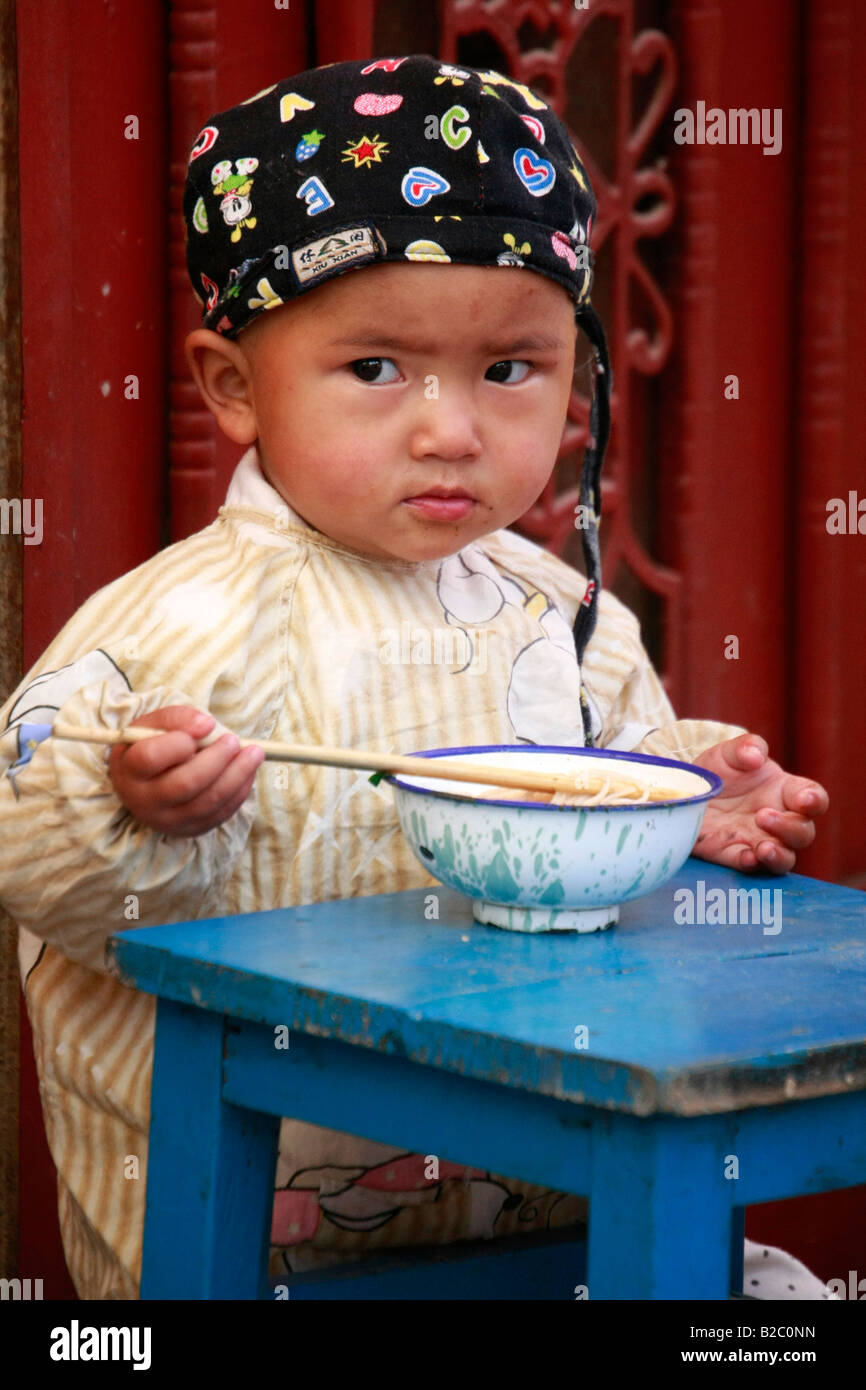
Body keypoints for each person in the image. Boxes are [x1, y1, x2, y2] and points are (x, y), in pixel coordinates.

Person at [0, 55, 836, 1300]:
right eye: (376, 369)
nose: (451, 427)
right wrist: (137, 809)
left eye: (509, 371)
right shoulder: (182, 624)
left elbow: (610, 783)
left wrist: (686, 807)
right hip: (263, 1242)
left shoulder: (561, 611)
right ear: (232, 386)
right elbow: (31, 847)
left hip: (568, 1220)